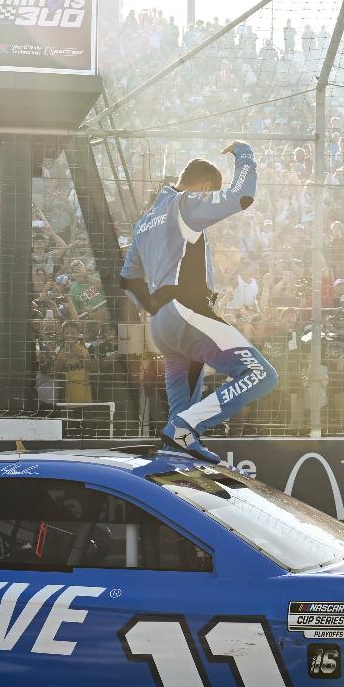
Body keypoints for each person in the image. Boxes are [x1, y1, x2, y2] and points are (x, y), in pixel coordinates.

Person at [120, 142, 277, 462]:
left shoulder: (145, 220)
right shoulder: (186, 203)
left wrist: (157, 306)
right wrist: (246, 154)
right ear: (205, 187)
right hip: (186, 312)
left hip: (162, 325)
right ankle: (186, 426)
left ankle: (178, 445)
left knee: (180, 431)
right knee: (261, 375)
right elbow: (241, 196)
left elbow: (127, 280)